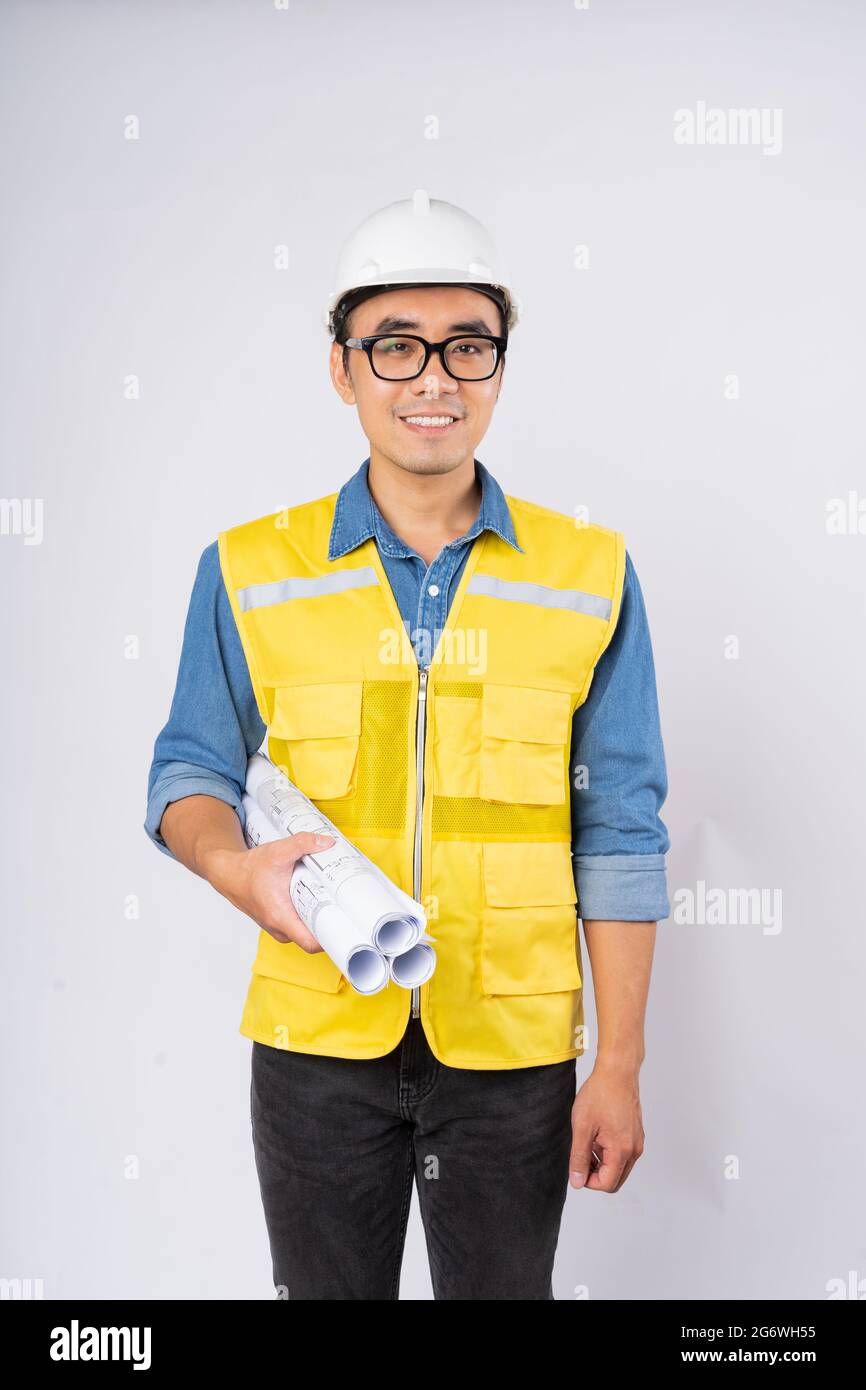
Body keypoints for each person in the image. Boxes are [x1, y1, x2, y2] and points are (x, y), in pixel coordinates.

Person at [144, 189, 671, 1301]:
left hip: (514, 1056)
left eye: (466, 347)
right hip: (317, 1045)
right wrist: (234, 867)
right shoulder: (247, 567)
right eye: (395, 346)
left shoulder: (586, 574)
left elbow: (618, 826)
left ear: (496, 368)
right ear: (342, 369)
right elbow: (188, 771)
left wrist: (614, 1063)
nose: (432, 377)